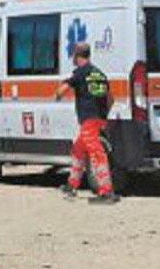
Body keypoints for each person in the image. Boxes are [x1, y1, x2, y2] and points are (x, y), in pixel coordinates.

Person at [55, 42, 119, 204]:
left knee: (97, 153)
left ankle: (106, 192)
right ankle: (72, 185)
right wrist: (104, 116)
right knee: (78, 150)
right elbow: (111, 99)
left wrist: (58, 92)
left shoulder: (79, 74)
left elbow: (60, 91)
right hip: (98, 119)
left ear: (76, 56)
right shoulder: (99, 74)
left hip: (88, 120)